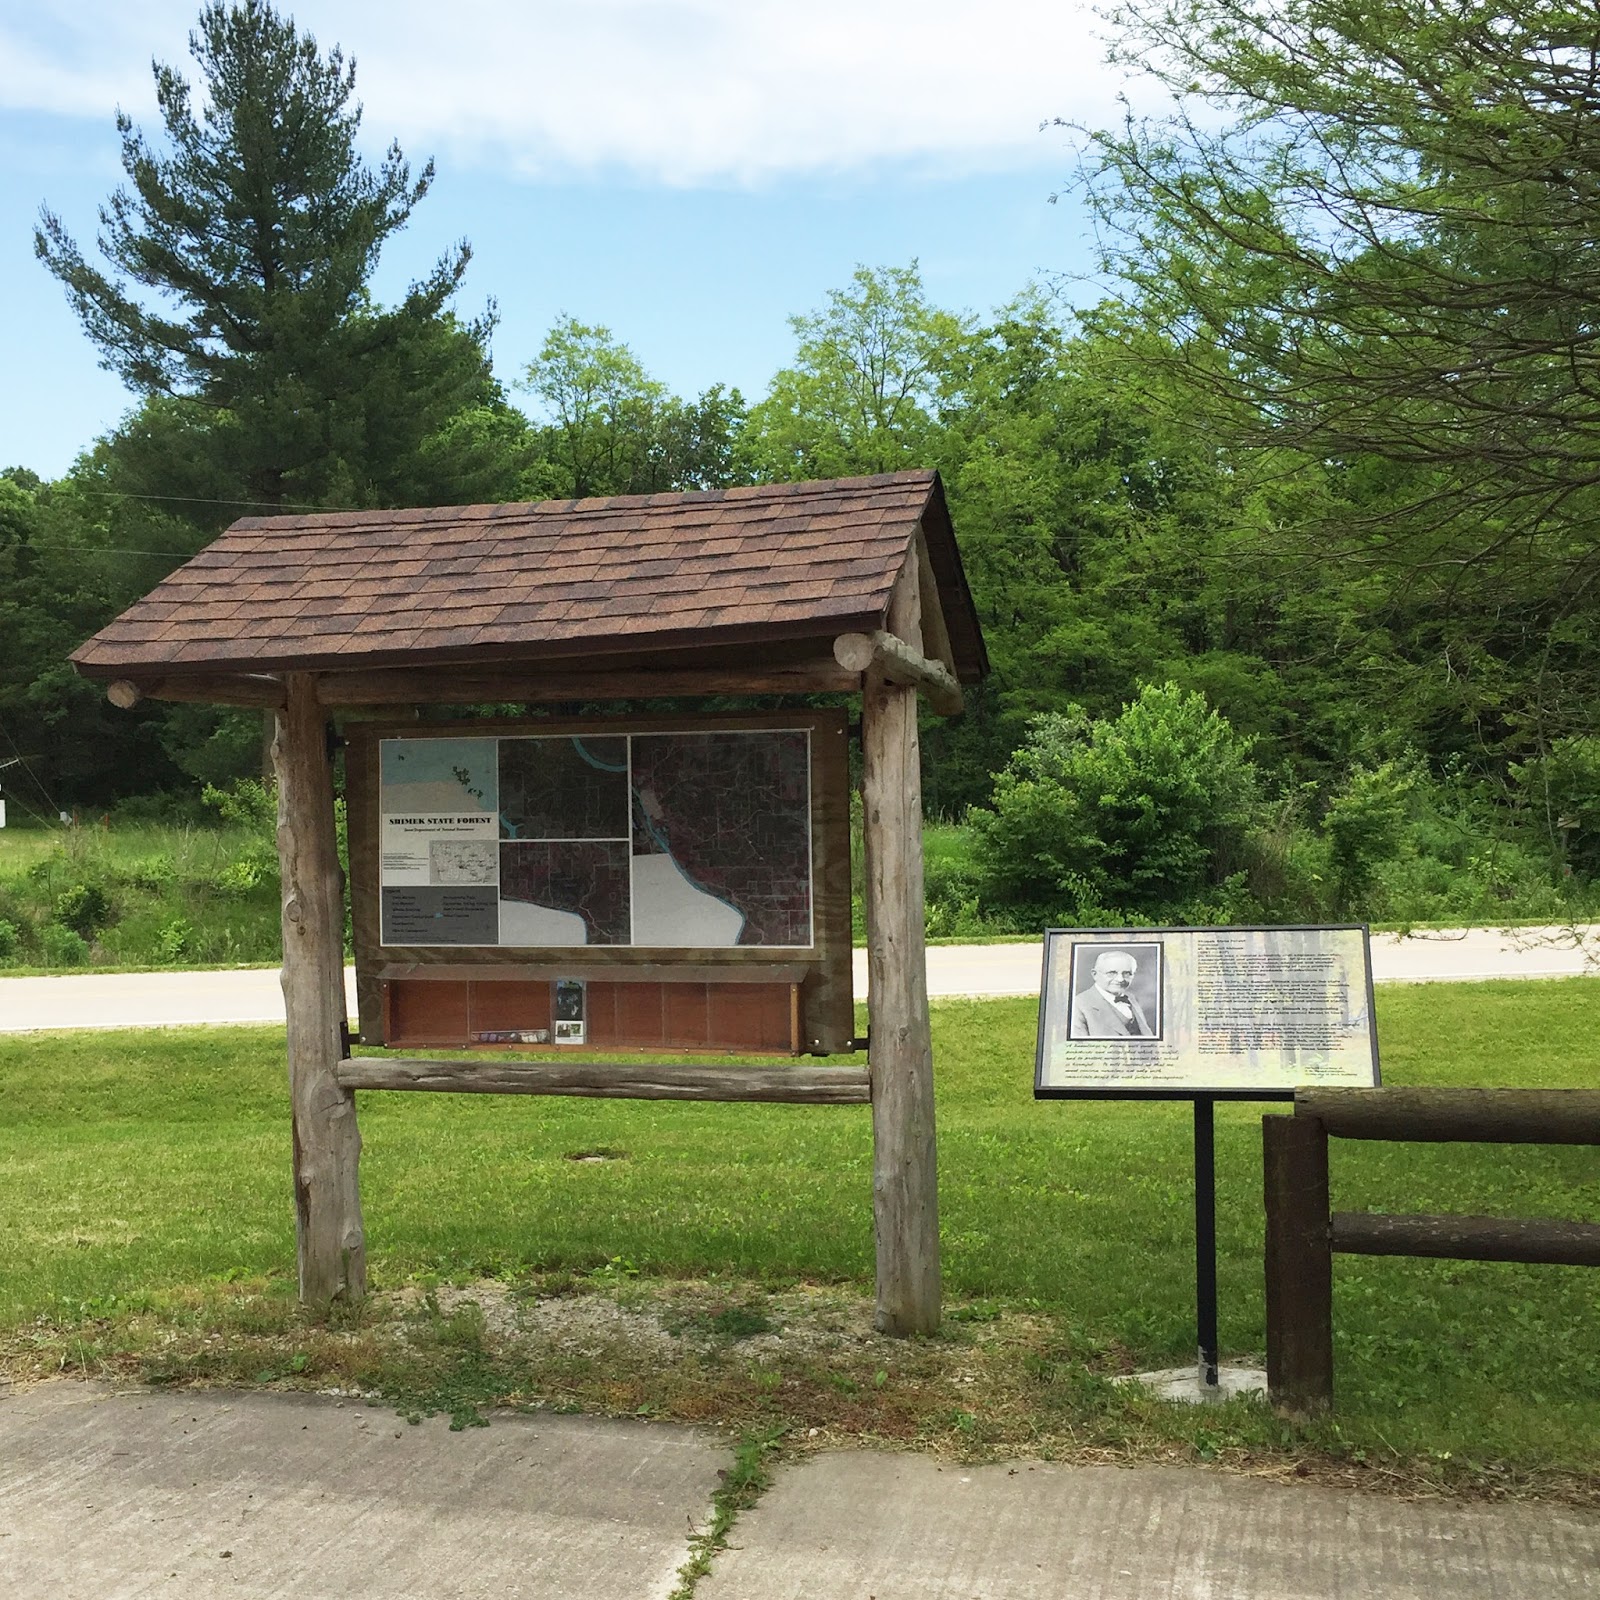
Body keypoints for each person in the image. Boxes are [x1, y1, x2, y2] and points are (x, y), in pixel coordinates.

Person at [1072, 948, 1153, 1038]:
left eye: (1127, 973)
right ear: (1095, 974)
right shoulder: (1078, 1004)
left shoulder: (1131, 998)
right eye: (1112, 973)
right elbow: (1079, 1048)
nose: (1120, 979)